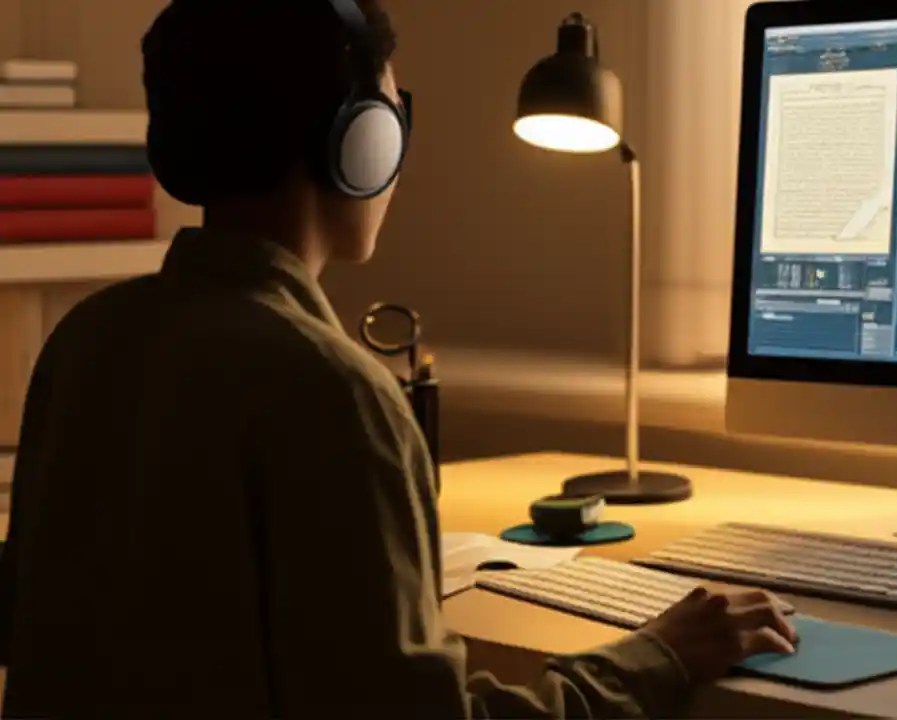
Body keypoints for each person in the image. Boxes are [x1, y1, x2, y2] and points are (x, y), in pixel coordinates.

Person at [0, 1, 797, 717]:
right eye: (392, 111)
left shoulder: (88, 339)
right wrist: (654, 657)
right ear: (359, 140)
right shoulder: (331, 392)